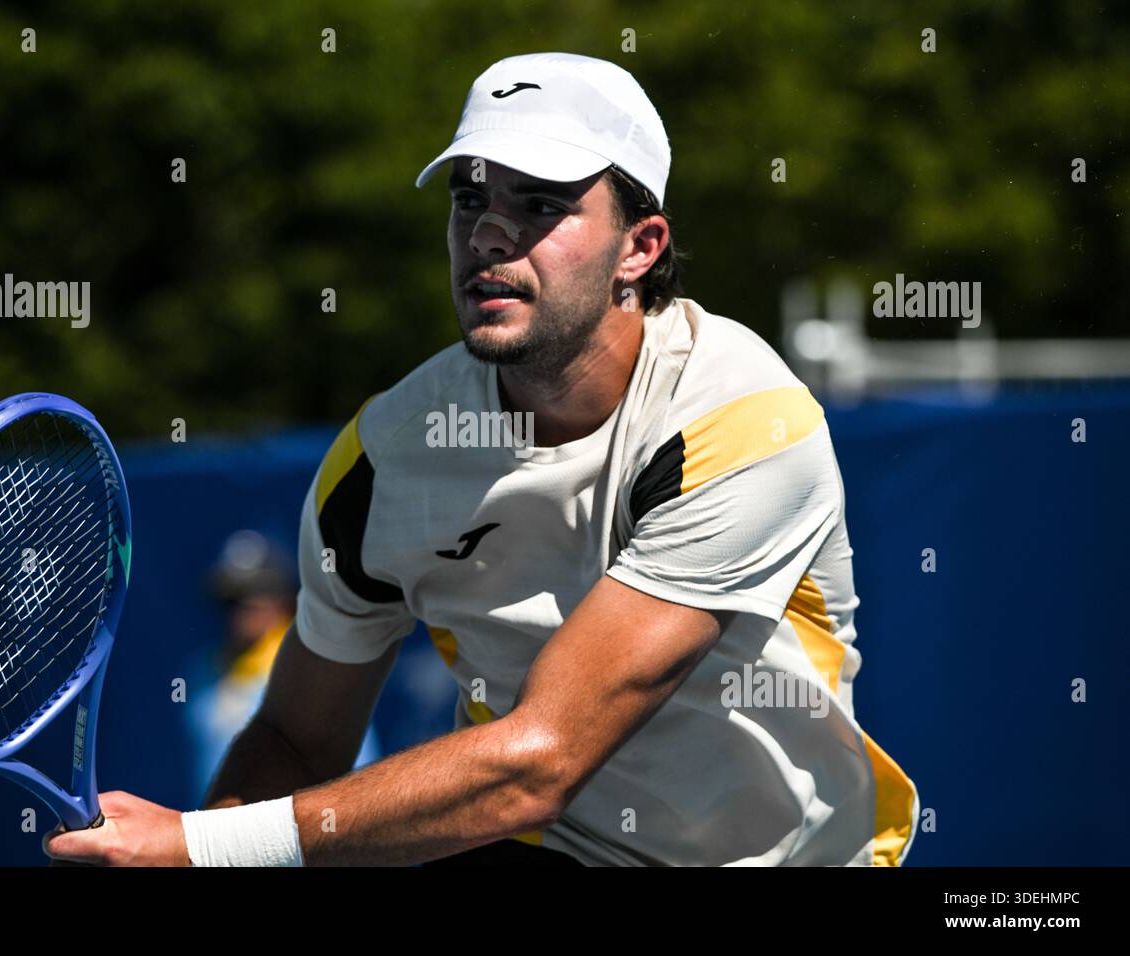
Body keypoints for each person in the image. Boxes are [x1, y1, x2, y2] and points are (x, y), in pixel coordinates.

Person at [46, 51, 918, 867]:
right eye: (471, 198)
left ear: (639, 248)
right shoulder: (379, 462)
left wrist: (199, 846)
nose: (491, 235)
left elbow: (540, 763)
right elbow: (296, 741)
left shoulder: (744, 423)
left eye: (542, 203)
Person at [191, 530, 380, 796]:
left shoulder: (321, 673)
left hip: (293, 836)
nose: (239, 611)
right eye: (231, 599)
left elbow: (357, 782)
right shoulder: (203, 674)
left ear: (282, 600)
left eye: (252, 596)